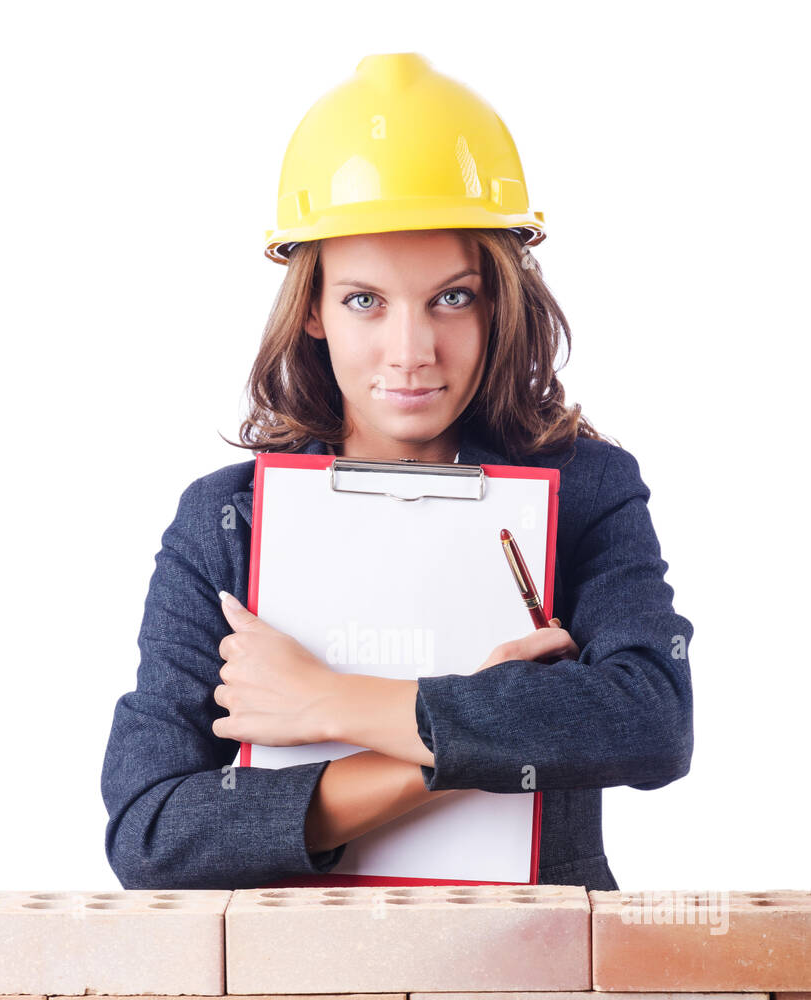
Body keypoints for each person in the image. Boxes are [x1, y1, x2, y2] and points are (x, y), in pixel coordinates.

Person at [101, 53, 693, 891]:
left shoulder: (586, 490)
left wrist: (329, 703)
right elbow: (153, 835)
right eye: (363, 301)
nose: (410, 353)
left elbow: (651, 723)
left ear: (498, 301)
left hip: (544, 978)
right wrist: (461, 744)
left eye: (451, 297)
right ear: (310, 307)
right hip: (305, 987)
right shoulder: (224, 521)